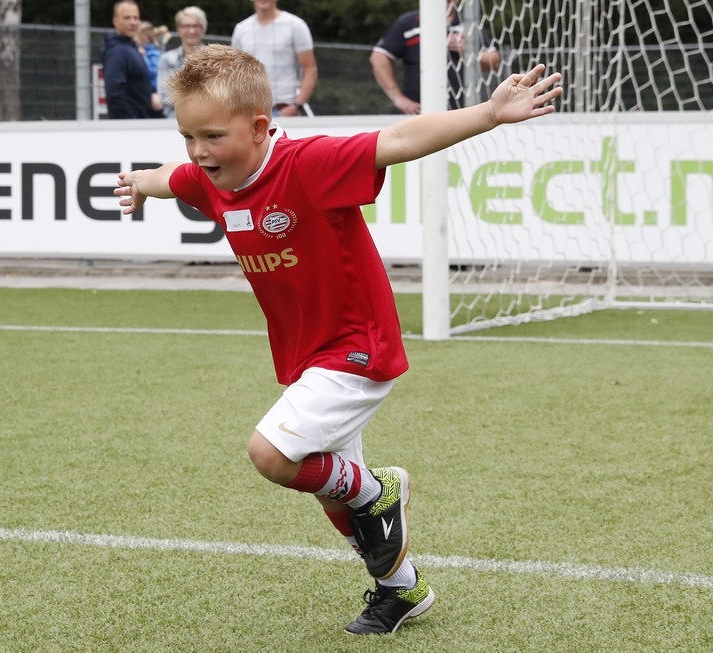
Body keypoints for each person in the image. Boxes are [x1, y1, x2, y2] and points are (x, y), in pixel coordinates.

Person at [112, 44, 561, 635]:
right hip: (305, 357)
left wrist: (489, 112)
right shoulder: (208, 178)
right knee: (332, 491)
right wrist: (140, 186)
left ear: (259, 128)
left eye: (213, 136)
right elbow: (172, 178)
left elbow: (397, 142)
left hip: (357, 346)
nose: (198, 151)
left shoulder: (309, 163)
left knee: (272, 454)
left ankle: (381, 491)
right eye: (188, 137)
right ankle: (403, 591)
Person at [371, 0, 501, 115]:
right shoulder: (408, 23)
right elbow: (379, 57)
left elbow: (495, 62)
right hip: (418, 114)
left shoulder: (468, 25)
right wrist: (397, 98)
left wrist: (468, 52)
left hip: (463, 112)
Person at [231, 0, 317, 117]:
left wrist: (297, 105)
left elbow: (310, 68)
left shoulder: (295, 25)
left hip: (285, 109)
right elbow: (234, 72)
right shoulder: (241, 29)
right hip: (250, 111)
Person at [99, 0, 153, 119]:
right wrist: (129, 123)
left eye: (136, 18)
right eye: (127, 18)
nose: (133, 22)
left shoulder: (131, 47)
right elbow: (114, 93)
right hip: (130, 127)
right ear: (116, 21)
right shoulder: (118, 52)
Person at [157, 6, 208, 118]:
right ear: (178, 29)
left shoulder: (212, 59)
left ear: (203, 28)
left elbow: (216, 97)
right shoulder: (167, 59)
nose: (191, 30)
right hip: (172, 121)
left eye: (196, 26)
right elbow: (165, 97)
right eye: (186, 26)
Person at [136, 21, 168, 117]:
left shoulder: (154, 53)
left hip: (153, 92)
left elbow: (152, 73)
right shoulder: (140, 50)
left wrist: (143, 57)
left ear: (145, 37)